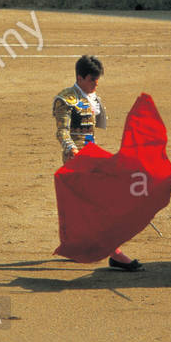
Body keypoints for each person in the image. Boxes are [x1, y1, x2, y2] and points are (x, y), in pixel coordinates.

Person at [52, 54, 141, 271]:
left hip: (92, 156)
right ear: (80, 77)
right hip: (77, 160)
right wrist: (71, 149)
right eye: (92, 79)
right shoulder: (65, 99)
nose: (95, 83)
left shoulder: (92, 97)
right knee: (101, 205)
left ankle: (77, 247)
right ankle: (115, 253)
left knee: (87, 207)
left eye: (97, 79)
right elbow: (62, 132)